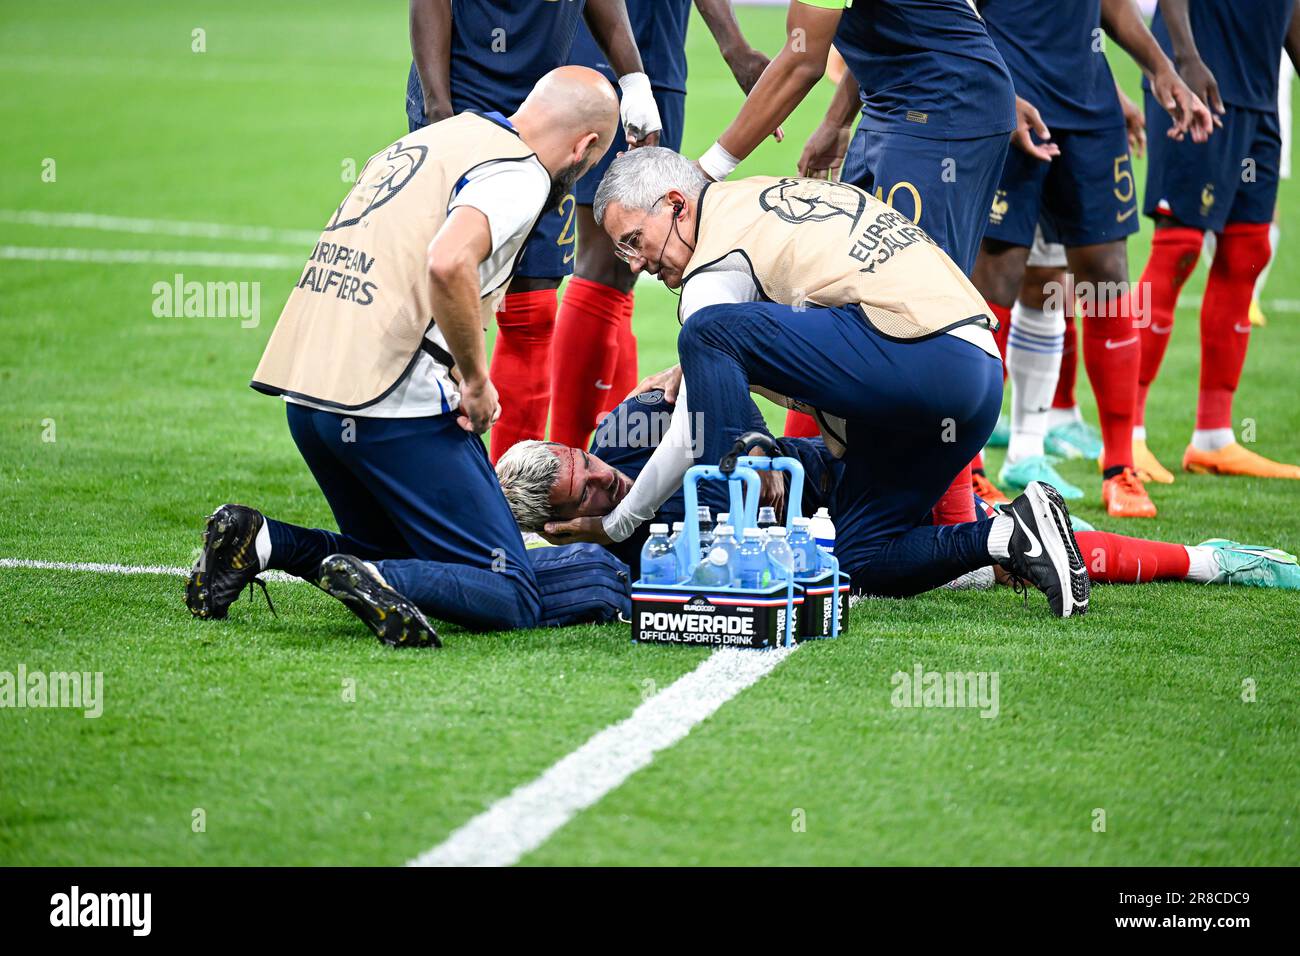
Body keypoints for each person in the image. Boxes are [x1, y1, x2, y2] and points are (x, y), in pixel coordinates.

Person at [186, 68, 630, 647]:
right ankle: (376, 579)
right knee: (513, 588)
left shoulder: (436, 138)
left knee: (408, 550)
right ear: (586, 146)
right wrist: (474, 378)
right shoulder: (520, 175)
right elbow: (448, 261)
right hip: (392, 396)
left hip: (308, 392)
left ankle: (261, 540)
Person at [547, 147, 1092, 617]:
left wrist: (618, 525)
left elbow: (692, 432)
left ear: (675, 204)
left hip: (923, 354)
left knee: (705, 336)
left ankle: (747, 488)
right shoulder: (755, 202)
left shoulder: (711, 263)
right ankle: (1012, 532)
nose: (637, 264)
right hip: (970, 378)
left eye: (634, 240)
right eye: (624, 249)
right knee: (856, 559)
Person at [499, 392, 1300, 593]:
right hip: (854, 496)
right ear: (566, 526)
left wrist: (675, 382)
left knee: (991, 551)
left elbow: (697, 388)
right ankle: (1211, 560)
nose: (605, 473)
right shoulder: (646, 562)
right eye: (590, 490)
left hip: (857, 462)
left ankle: (1208, 559)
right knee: (1003, 555)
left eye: (585, 459)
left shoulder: (620, 440)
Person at [970, 0, 1214, 519]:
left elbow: (1107, 6)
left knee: (1106, 279)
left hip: (1088, 104)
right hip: (1009, 97)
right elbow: (958, 11)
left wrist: (1159, 69)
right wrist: (996, 87)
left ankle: (1119, 467)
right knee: (995, 281)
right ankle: (969, 469)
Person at [406, 0, 663, 462]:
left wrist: (636, 83)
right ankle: (427, 469)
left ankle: (511, 494)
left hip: (547, 109)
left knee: (535, 307)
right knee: (444, 300)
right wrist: (438, 109)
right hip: (460, 94)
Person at [549, 0, 778, 450]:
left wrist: (734, 47)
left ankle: (604, 451)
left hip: (636, 43)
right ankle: (569, 457)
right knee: (612, 259)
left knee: (619, 264)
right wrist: (733, 46)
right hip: (623, 44)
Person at [1132, 0, 1300, 480]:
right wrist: (1183, 59)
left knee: (1248, 249)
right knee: (1179, 248)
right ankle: (1128, 439)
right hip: (1194, 76)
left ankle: (1214, 437)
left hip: (1259, 88)